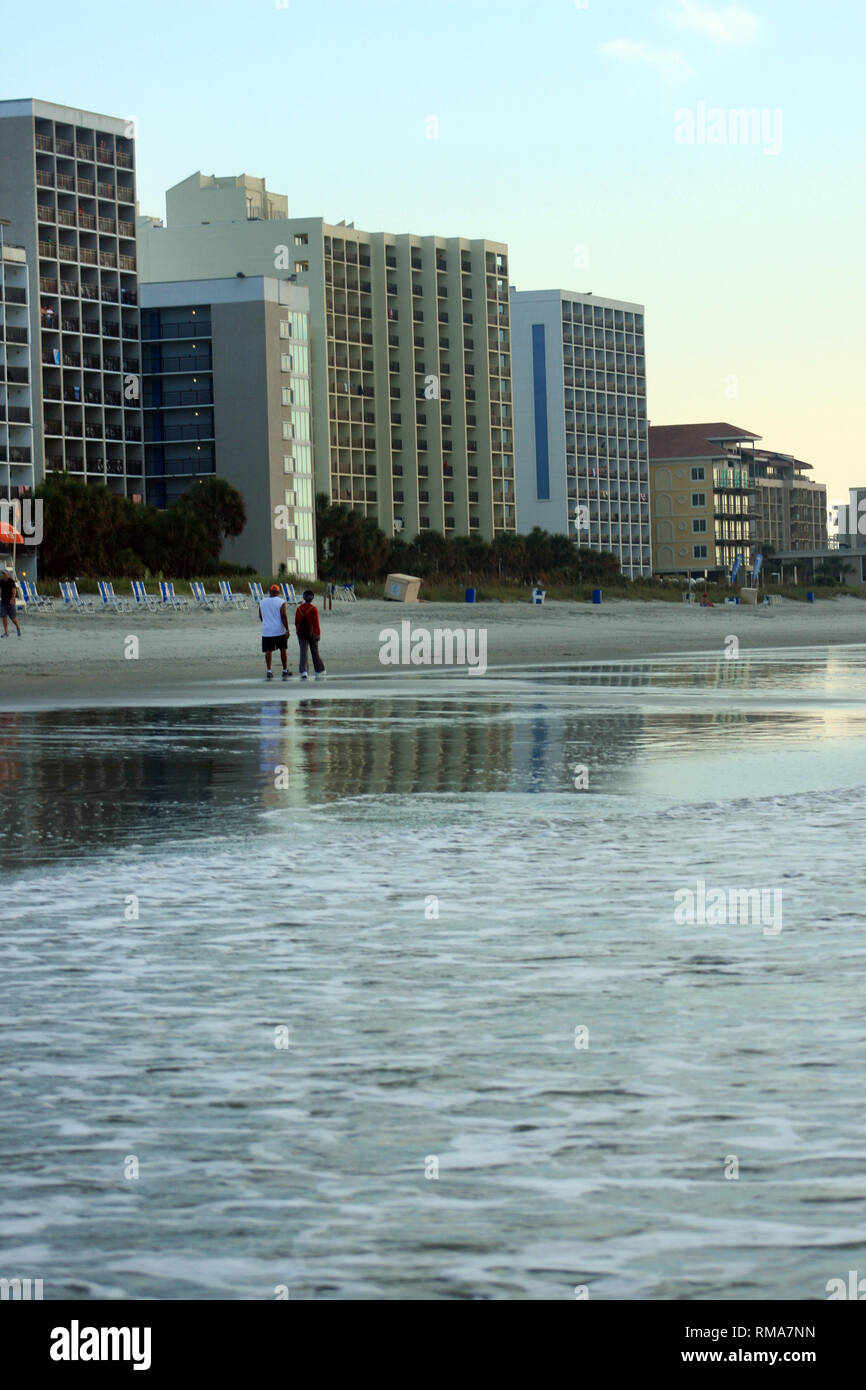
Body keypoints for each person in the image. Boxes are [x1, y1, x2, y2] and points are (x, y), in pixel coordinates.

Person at [258, 583, 290, 681]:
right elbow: (283, 616)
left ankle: (269, 670)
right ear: (278, 592)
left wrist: (267, 623)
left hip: (267, 631)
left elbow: (261, 616)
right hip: (279, 630)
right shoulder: (281, 602)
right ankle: (284, 669)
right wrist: (287, 629)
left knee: (268, 651)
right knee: (283, 649)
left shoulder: (262, 602)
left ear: (270, 592)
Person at [295, 589, 326, 681]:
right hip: (312, 633)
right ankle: (319, 670)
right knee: (315, 652)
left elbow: (296, 622)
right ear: (312, 599)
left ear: (304, 598)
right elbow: (316, 623)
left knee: (303, 652)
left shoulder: (299, 608)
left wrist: (298, 632)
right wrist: (318, 634)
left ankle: (304, 671)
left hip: (301, 634)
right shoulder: (314, 609)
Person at [0, 567, 21, 637]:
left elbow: (14, 591)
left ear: (7, 574)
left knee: (13, 618)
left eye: (4, 573)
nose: (3, 575)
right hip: (3, 602)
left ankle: (18, 627)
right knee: (4, 616)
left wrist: (12, 599)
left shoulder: (11, 581)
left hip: (10, 602)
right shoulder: (1, 581)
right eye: (3, 574)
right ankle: (6, 632)